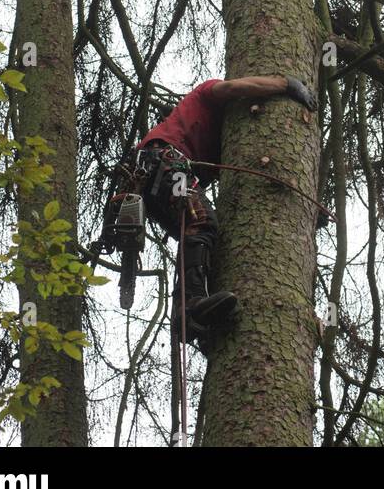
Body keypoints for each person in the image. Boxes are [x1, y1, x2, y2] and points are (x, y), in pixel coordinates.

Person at [135, 75, 317, 340]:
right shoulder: (207, 94)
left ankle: (198, 315)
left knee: (201, 236)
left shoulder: (219, 141)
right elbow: (233, 87)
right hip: (163, 160)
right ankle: (189, 306)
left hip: (156, 181)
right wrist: (287, 86)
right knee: (201, 222)